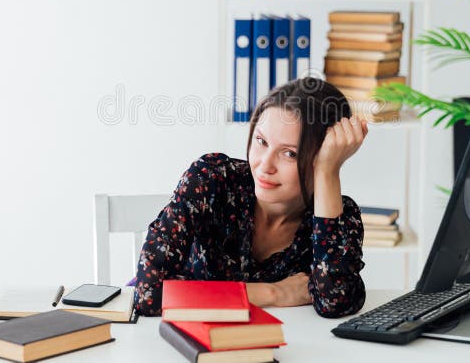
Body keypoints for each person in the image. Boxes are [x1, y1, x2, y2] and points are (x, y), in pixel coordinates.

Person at [133, 77, 368, 318]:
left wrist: (328, 171)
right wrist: (274, 293)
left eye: (289, 153)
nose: (265, 165)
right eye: (261, 141)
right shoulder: (211, 178)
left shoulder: (338, 216)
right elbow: (148, 295)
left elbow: (335, 301)